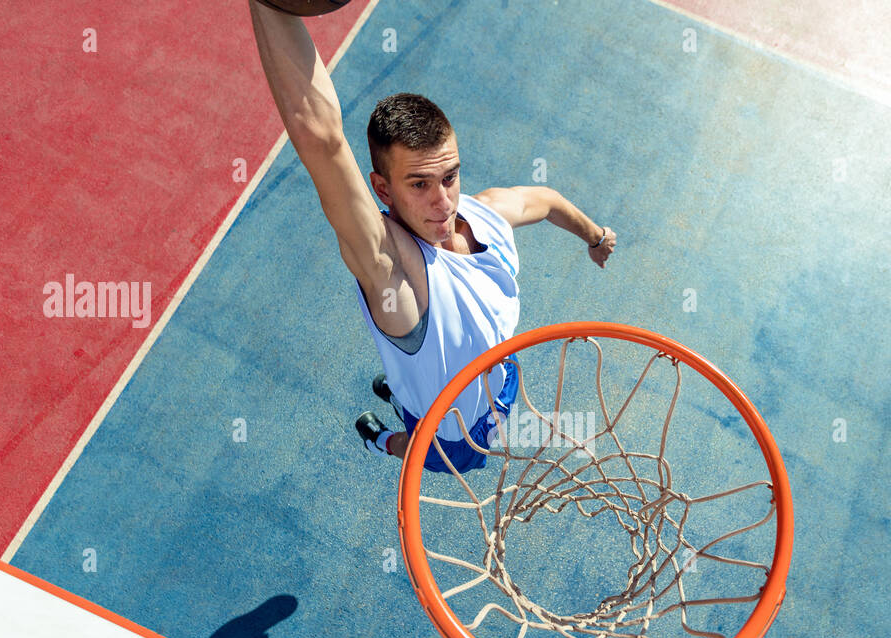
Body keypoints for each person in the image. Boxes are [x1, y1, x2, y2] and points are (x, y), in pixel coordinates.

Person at [248, 2, 616, 473]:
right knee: (424, 448)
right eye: (419, 184)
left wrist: (595, 235)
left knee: (425, 383)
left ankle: (400, 388)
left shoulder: (484, 213)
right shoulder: (390, 267)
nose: (443, 202)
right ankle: (381, 440)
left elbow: (542, 201)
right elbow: (322, 140)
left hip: (499, 380)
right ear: (382, 189)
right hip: (451, 432)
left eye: (450, 176)